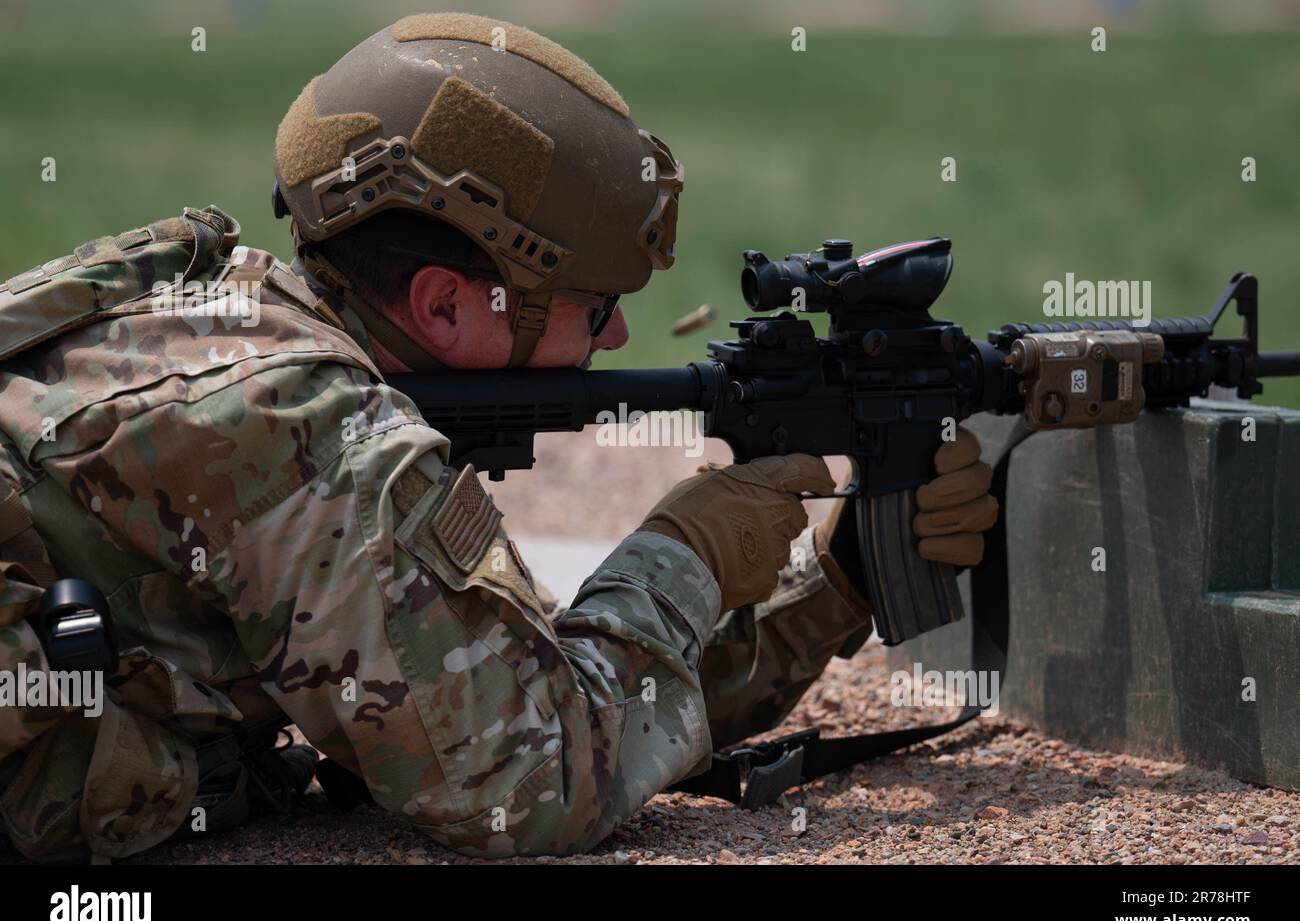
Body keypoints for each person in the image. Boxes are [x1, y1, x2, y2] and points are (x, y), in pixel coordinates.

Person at [0, 13, 995, 861]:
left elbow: (505, 691)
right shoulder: (313, 439)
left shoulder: (224, 309)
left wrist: (837, 584)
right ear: (443, 305)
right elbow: (528, 780)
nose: (613, 336)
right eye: (593, 303)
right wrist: (680, 558)